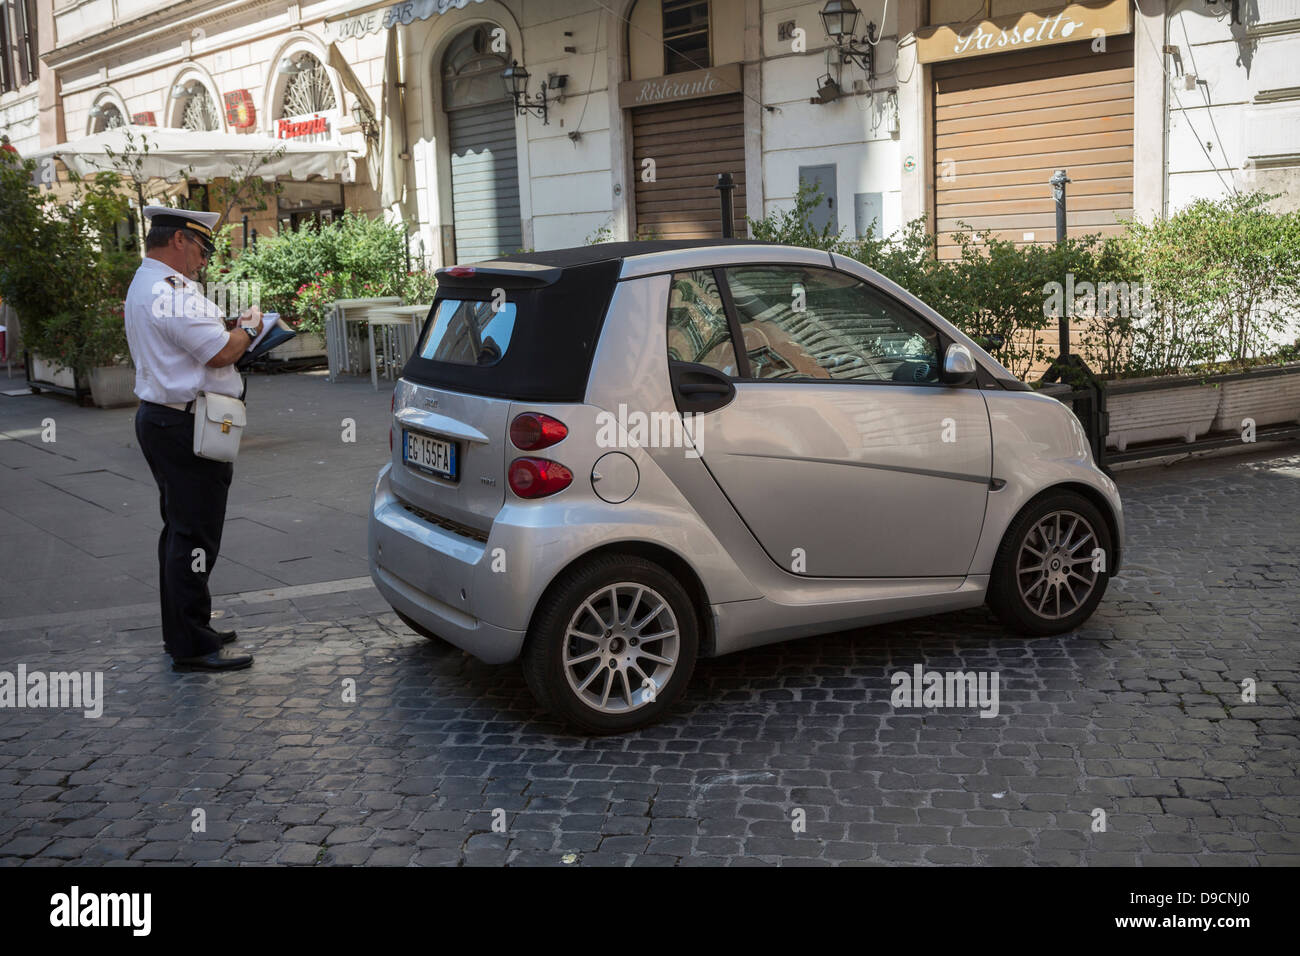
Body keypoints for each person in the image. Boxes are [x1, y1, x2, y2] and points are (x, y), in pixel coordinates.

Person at [125, 206, 261, 672]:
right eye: (201, 248)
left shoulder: (152, 284)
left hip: (168, 420)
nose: (204, 259)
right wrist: (249, 329)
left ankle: (187, 627)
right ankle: (191, 644)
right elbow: (222, 353)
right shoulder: (171, 293)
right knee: (194, 536)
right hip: (185, 425)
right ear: (179, 240)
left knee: (181, 532)